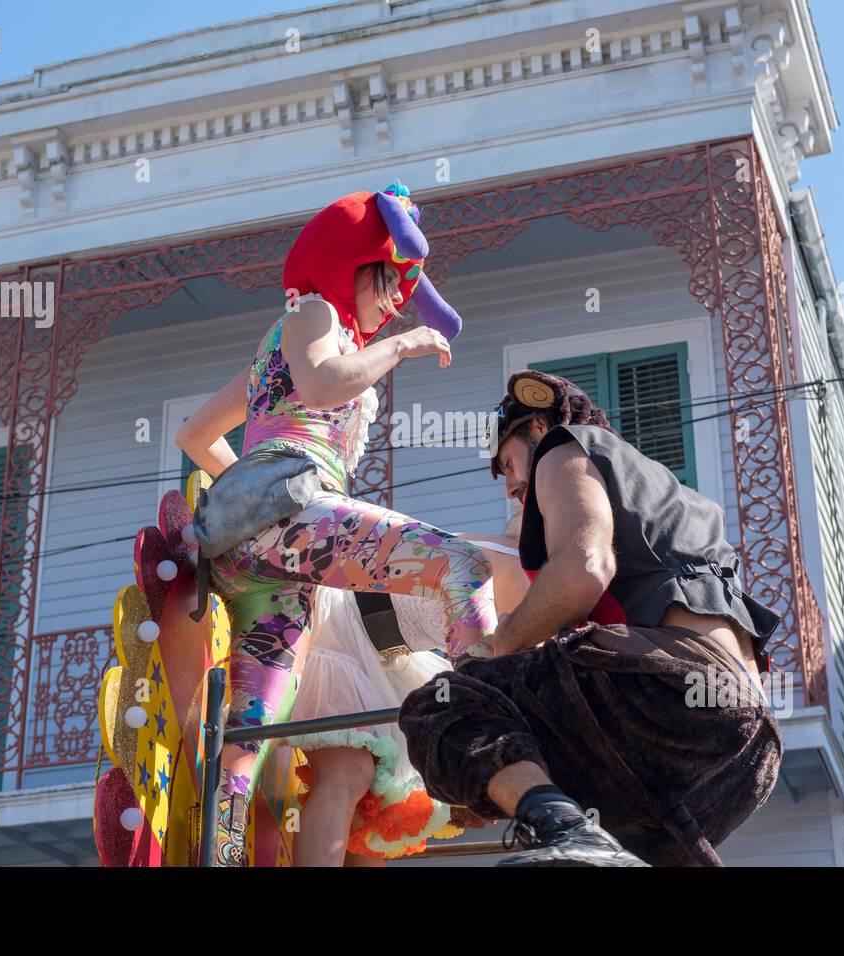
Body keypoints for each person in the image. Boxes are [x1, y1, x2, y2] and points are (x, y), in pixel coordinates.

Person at [177, 184, 499, 866]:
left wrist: (245, 497)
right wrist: (404, 345)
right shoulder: (314, 312)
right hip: (293, 519)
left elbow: (194, 434)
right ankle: (493, 734)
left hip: (255, 547)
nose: (395, 304)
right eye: (389, 283)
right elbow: (324, 386)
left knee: (249, 733)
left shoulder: (280, 343)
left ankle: (221, 857)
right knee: (462, 565)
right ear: (352, 265)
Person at [398, 369, 784, 866]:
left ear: (537, 426)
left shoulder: (564, 447)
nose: (511, 484)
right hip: (747, 756)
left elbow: (584, 568)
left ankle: (564, 826)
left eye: (508, 463)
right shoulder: (670, 499)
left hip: (671, 692)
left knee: (443, 703)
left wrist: (501, 647)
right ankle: (573, 830)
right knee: (601, 846)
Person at [286, 521, 528, 866]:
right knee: (349, 774)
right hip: (337, 618)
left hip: (383, 654)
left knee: (379, 796)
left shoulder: (528, 572)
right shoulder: (527, 575)